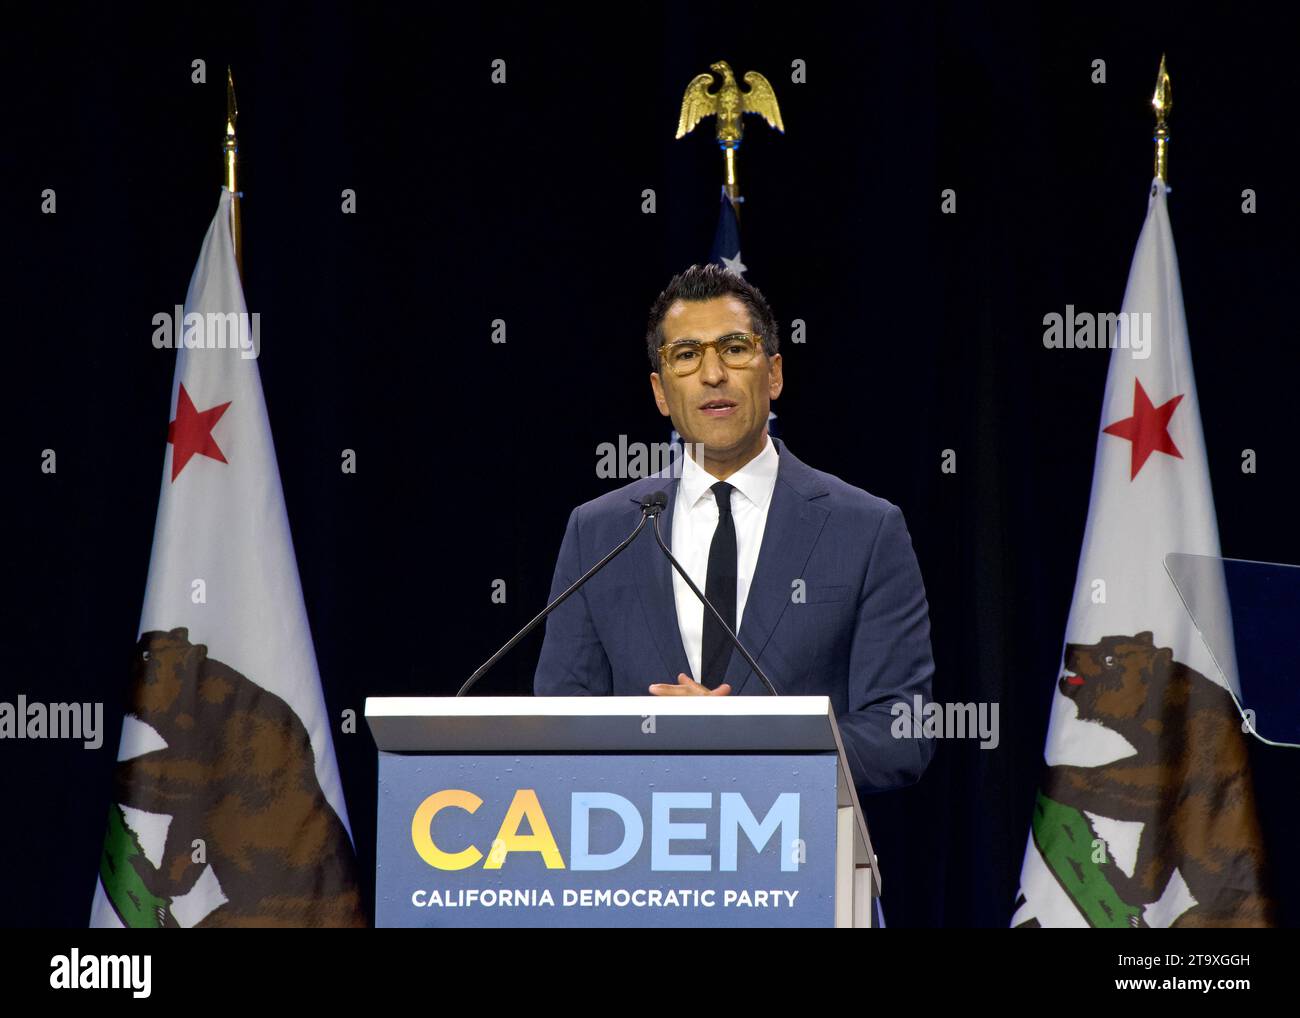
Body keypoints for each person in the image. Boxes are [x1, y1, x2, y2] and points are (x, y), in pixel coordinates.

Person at [533, 264, 935, 793]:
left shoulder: (866, 529)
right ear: (659, 391)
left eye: (734, 348)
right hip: (633, 857)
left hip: (798, 856)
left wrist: (749, 741)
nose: (712, 374)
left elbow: (900, 733)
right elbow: (561, 721)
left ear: (774, 374)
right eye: (686, 355)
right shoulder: (600, 531)